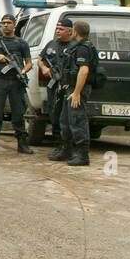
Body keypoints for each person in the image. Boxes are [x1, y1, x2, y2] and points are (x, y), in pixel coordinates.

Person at [0, 13, 34, 154]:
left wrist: (23, 71)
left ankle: (22, 143)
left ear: (14, 24)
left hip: (16, 80)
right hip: (0, 79)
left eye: (9, 22)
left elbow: (29, 63)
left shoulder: (21, 43)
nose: (6, 25)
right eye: (3, 23)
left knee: (19, 112)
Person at [61, 19, 98, 167]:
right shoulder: (78, 46)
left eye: (72, 30)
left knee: (78, 121)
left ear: (75, 31)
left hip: (78, 89)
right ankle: (68, 151)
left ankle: (83, 156)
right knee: (66, 120)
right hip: (72, 88)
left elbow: (84, 70)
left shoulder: (83, 48)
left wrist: (76, 92)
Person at [40, 17, 75, 161]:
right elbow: (41, 59)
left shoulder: (74, 46)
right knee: (54, 115)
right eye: (57, 29)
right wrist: (44, 68)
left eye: (61, 29)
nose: (58, 31)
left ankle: (66, 147)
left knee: (65, 118)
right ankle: (58, 146)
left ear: (70, 31)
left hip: (67, 87)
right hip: (53, 86)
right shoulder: (51, 44)